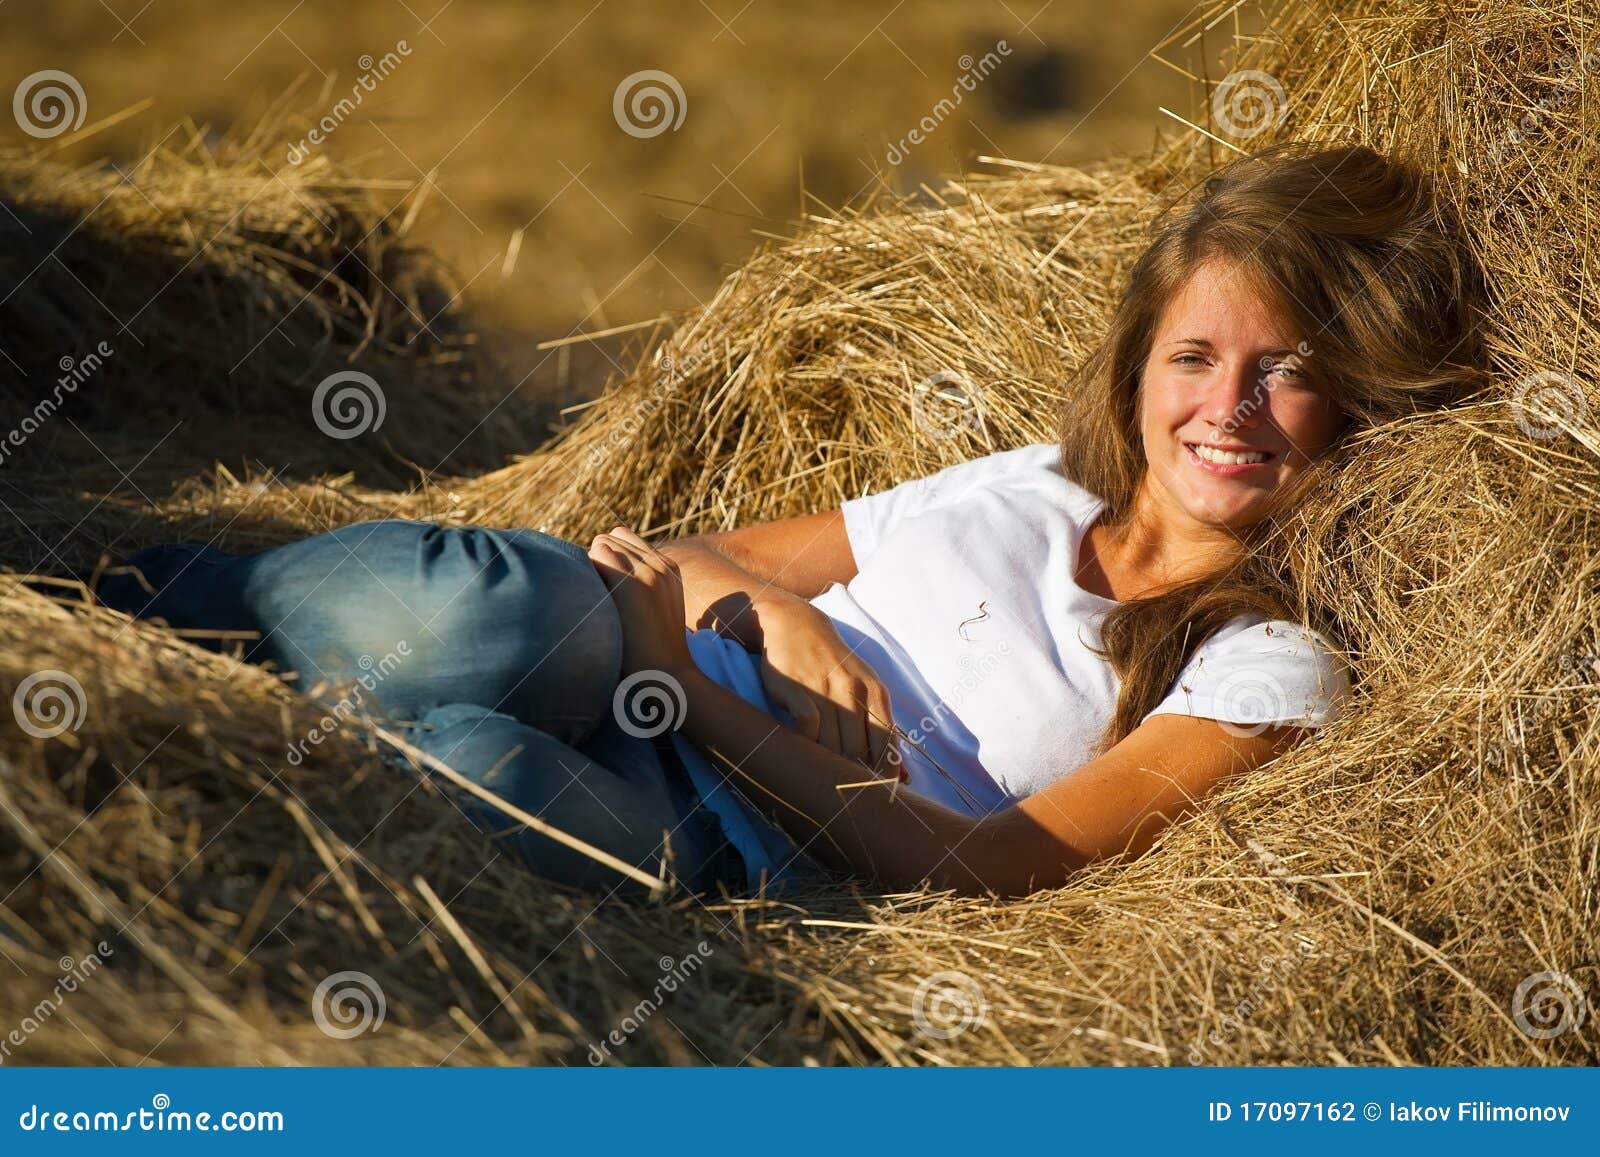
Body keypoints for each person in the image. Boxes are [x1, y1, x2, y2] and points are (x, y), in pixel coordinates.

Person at [93, 142, 1486, 900]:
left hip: (744, 819)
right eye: (1195, 357)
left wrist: (690, 704)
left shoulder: (1265, 663)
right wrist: (777, 617)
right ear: (1135, 369)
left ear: (1356, 398)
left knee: (467, 771)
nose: (1227, 407)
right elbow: (720, 557)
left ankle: (159, 774)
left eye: (1287, 369)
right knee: (492, 612)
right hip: (641, 640)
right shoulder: (1030, 482)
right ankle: (120, 600)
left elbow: (994, 864)